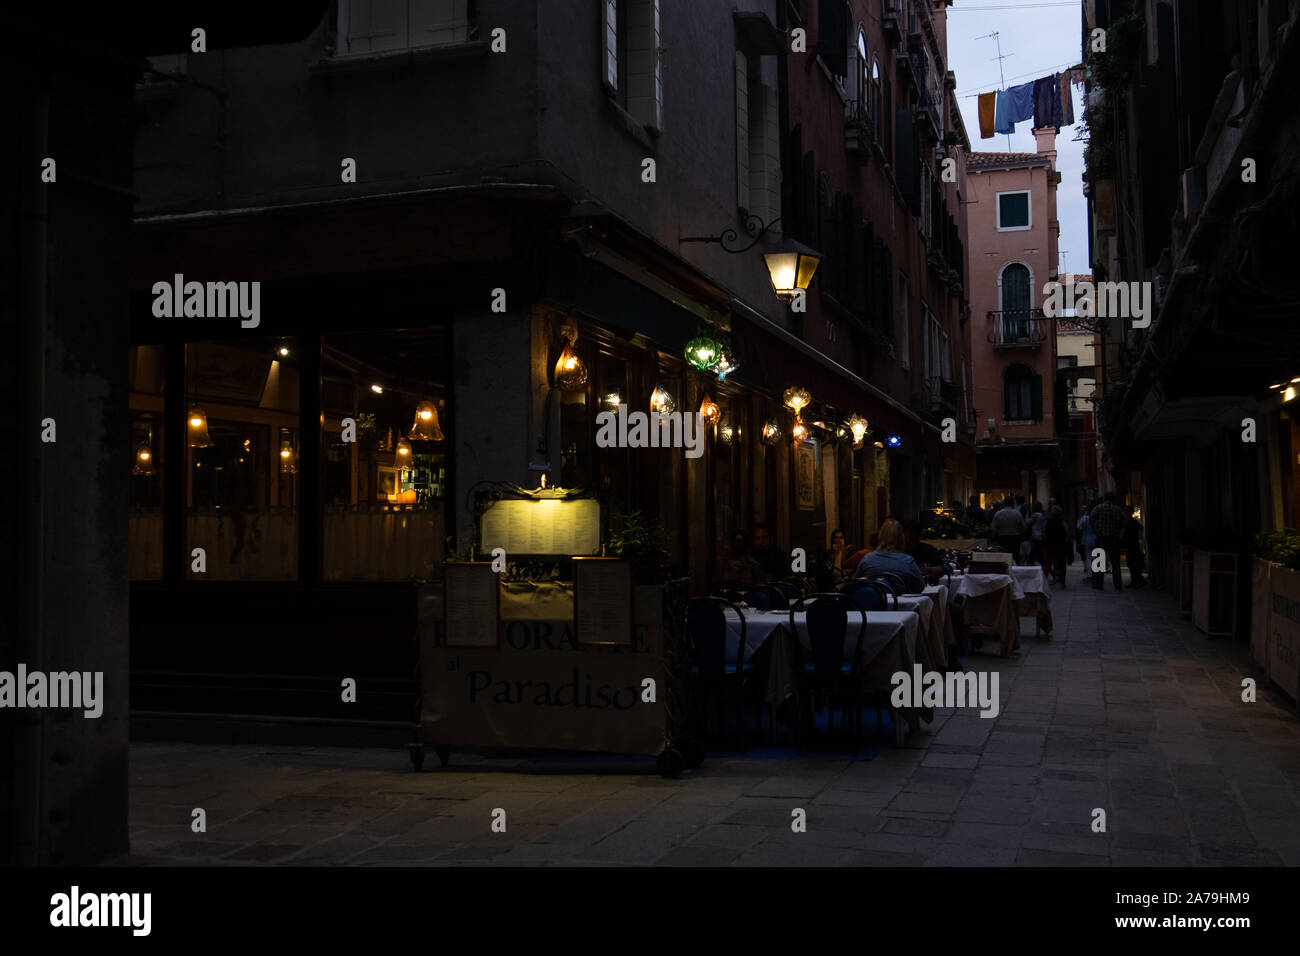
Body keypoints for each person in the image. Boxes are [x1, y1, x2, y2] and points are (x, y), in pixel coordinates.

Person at [854, 519, 926, 592]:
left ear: (880, 537)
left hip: (873, 598)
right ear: (902, 538)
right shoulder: (907, 561)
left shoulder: (867, 558)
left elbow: (855, 583)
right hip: (899, 599)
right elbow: (920, 586)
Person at [1088, 492, 1127, 591]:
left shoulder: (1099, 508)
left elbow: (1091, 517)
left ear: (1105, 498)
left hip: (1101, 537)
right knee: (1115, 562)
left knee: (1099, 561)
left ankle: (1098, 583)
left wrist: (1095, 529)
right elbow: (1123, 521)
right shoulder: (1117, 509)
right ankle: (1117, 585)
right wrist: (1119, 531)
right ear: (1113, 499)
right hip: (1114, 538)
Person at [1043, 505, 1070, 586]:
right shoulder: (1062, 521)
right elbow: (1067, 533)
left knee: (1048, 562)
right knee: (1062, 563)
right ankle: (1062, 581)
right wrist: (1065, 540)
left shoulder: (1047, 521)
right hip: (1060, 545)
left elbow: (1044, 532)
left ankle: (1043, 580)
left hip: (1050, 544)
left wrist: (1047, 539)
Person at [1123, 507, 1147, 588]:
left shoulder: (1129, 521)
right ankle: (1137, 580)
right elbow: (1141, 527)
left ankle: (1137, 580)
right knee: (1133, 563)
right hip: (1134, 543)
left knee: (1131, 563)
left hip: (1131, 544)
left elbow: (1126, 532)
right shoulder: (1133, 520)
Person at [1077, 502, 1096, 585]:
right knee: (1095, 557)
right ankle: (1096, 575)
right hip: (1096, 540)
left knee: (1088, 558)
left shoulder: (1085, 518)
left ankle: (1090, 575)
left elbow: (1079, 527)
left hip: (1086, 540)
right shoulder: (1096, 517)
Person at [1027, 501, 1048, 566]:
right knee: (1038, 554)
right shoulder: (1042, 514)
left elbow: (1027, 522)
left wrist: (1027, 513)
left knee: (1033, 555)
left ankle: (1044, 568)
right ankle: (1045, 567)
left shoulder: (1035, 515)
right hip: (1041, 536)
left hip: (1036, 537)